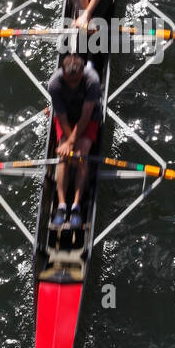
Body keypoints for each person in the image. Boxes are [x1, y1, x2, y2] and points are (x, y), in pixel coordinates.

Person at [48, 54, 102, 228]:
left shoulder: (92, 80)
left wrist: (71, 144)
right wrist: (67, 143)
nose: (73, 84)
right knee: (63, 159)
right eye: (69, 81)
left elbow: (86, 116)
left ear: (81, 74)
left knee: (82, 154)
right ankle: (62, 206)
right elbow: (62, 118)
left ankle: (77, 205)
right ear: (63, 73)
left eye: (76, 81)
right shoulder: (54, 84)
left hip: (89, 116)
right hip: (67, 118)